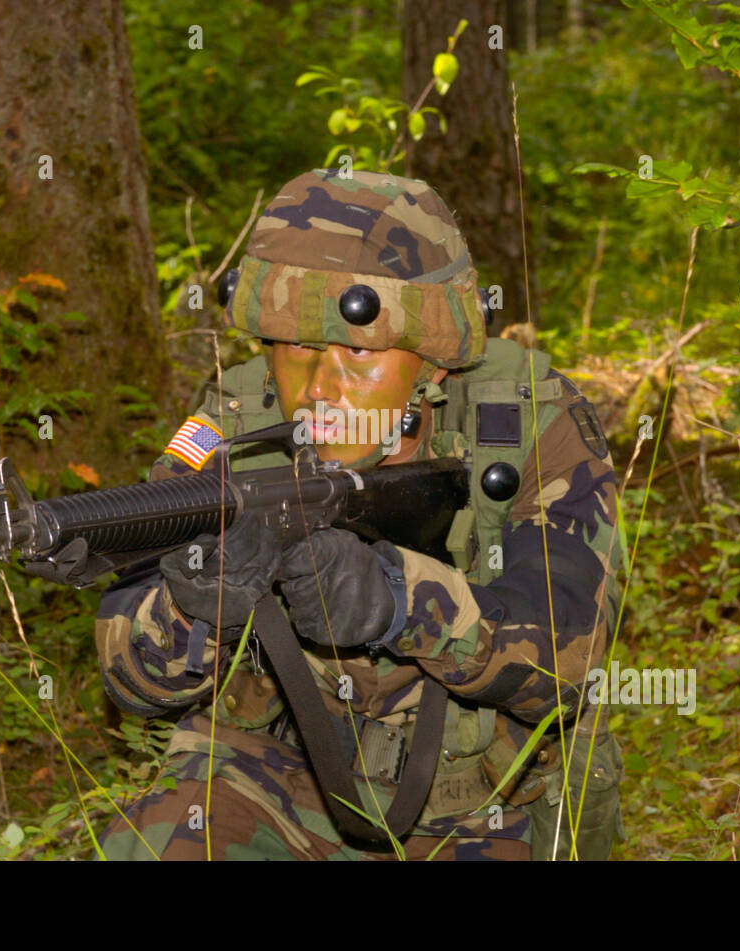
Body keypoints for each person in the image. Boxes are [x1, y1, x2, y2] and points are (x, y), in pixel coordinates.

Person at [95, 168, 626, 860]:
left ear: (432, 362)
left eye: (358, 351)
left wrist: (399, 601)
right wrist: (193, 609)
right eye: (297, 347)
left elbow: (572, 655)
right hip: (287, 783)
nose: (320, 388)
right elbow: (126, 675)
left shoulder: (524, 415)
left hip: (494, 802)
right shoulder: (235, 422)